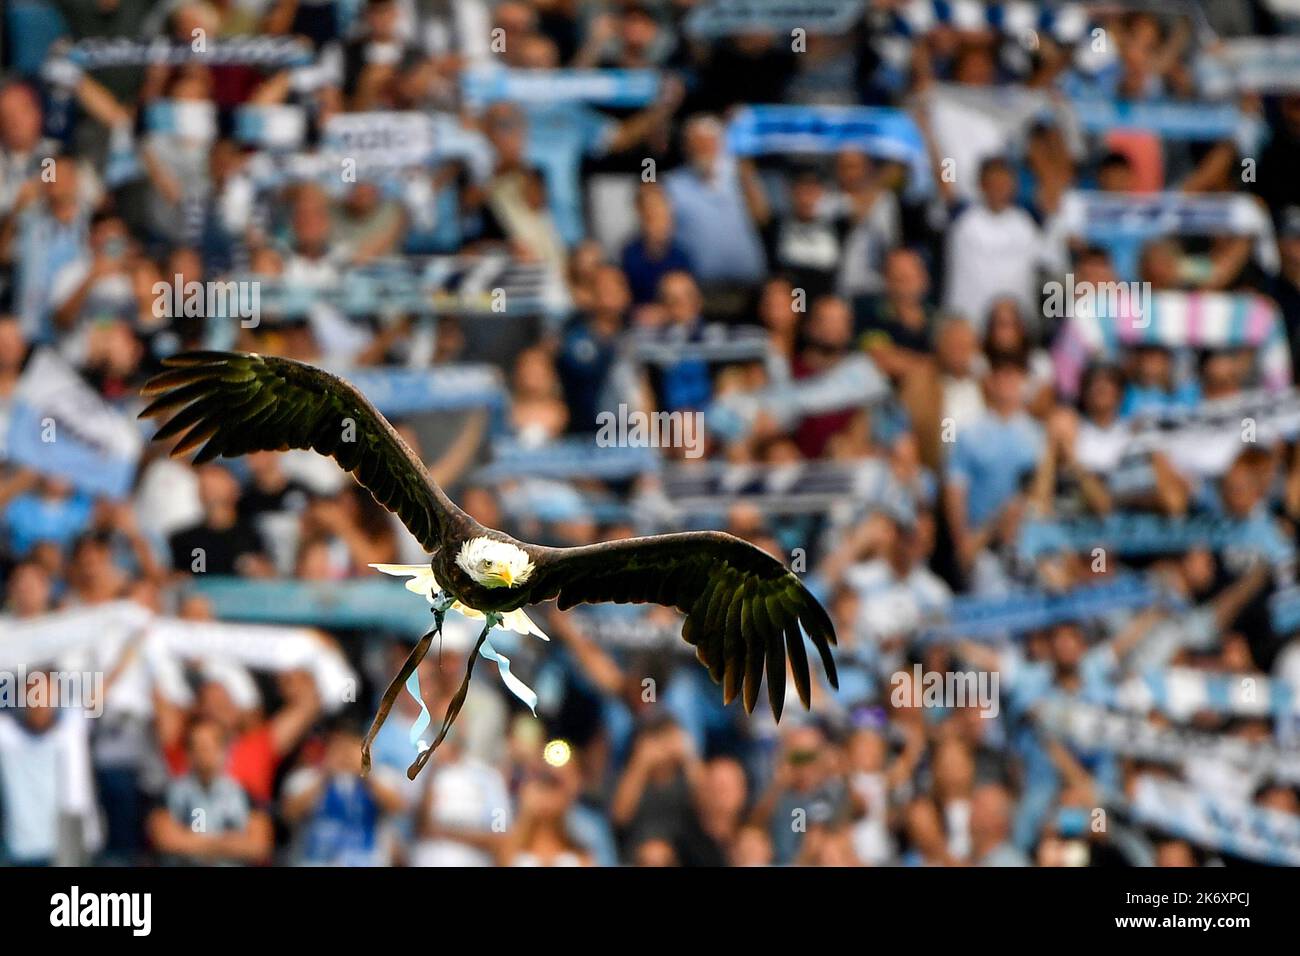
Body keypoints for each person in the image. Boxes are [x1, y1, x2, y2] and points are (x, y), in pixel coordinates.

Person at [147, 718, 273, 866]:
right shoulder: (169, 793)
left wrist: (192, 841)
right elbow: (166, 840)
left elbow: (259, 846)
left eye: (209, 747)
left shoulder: (244, 794)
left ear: (224, 750)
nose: (204, 754)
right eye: (197, 747)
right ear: (188, 752)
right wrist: (231, 842)